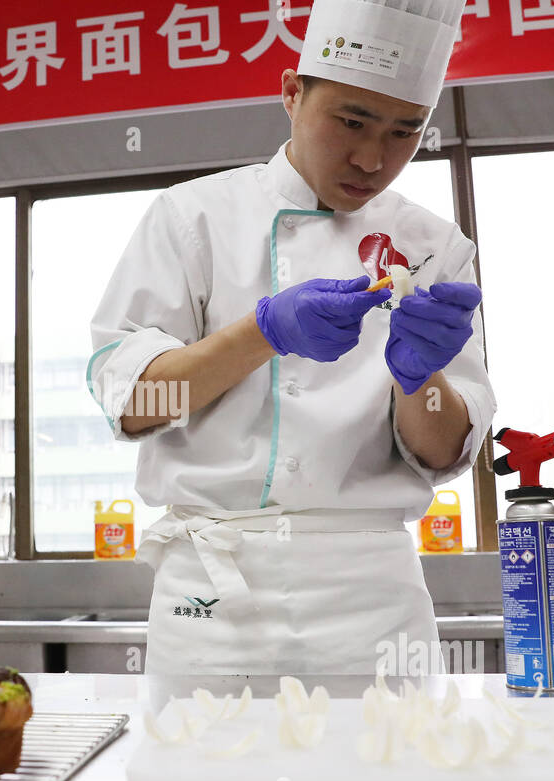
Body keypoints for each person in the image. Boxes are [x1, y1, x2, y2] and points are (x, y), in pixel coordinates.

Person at [87, 0, 495, 675]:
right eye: (352, 121)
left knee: (388, 778)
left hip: (373, 599)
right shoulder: (193, 219)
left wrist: (420, 379)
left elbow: (447, 448)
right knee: (203, 775)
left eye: (405, 131)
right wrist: (263, 331)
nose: (372, 157)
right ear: (291, 93)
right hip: (215, 593)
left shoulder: (434, 249)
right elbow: (134, 404)